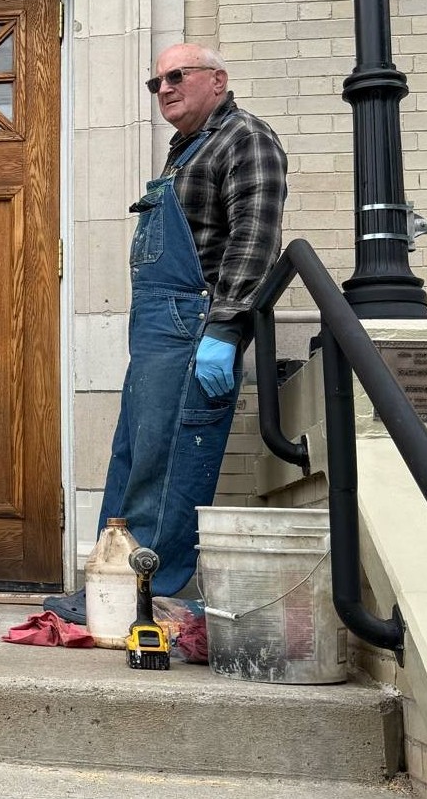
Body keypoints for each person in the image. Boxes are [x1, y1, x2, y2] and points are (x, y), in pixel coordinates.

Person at [54, 44, 287, 615]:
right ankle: (110, 588)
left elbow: (255, 237)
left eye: (178, 75)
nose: (165, 88)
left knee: (169, 463)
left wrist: (227, 328)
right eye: (155, 81)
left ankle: (144, 594)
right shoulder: (186, 152)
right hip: (159, 331)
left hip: (196, 325)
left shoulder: (245, 138)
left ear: (218, 79)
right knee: (134, 457)